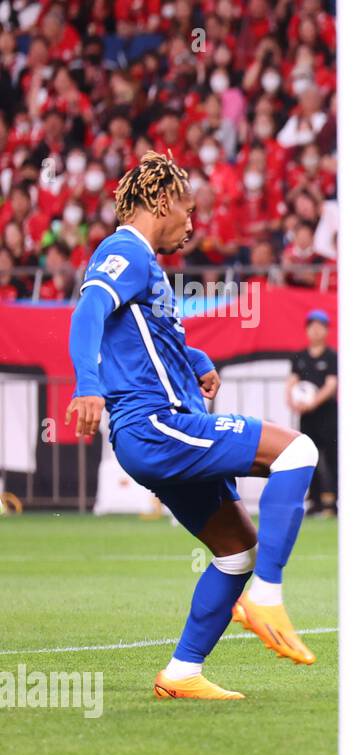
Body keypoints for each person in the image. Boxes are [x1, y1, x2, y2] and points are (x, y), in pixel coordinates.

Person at [65, 152, 318, 700]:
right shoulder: (123, 250)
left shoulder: (146, 265)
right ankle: (268, 597)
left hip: (158, 429)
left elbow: (142, 339)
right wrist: (87, 384)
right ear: (160, 202)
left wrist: (196, 357)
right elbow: (87, 312)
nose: (193, 222)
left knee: (237, 551)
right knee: (297, 451)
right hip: (157, 425)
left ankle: (182, 672)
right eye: (187, 208)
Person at [287, 308, 338, 515]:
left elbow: (331, 384)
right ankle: (314, 501)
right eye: (312, 326)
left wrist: (314, 401)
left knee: (333, 457)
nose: (316, 331)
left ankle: (334, 501)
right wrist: (292, 400)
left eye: (320, 327)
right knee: (309, 457)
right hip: (307, 417)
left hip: (327, 414)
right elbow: (291, 382)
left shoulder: (332, 356)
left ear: (326, 331)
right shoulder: (299, 357)